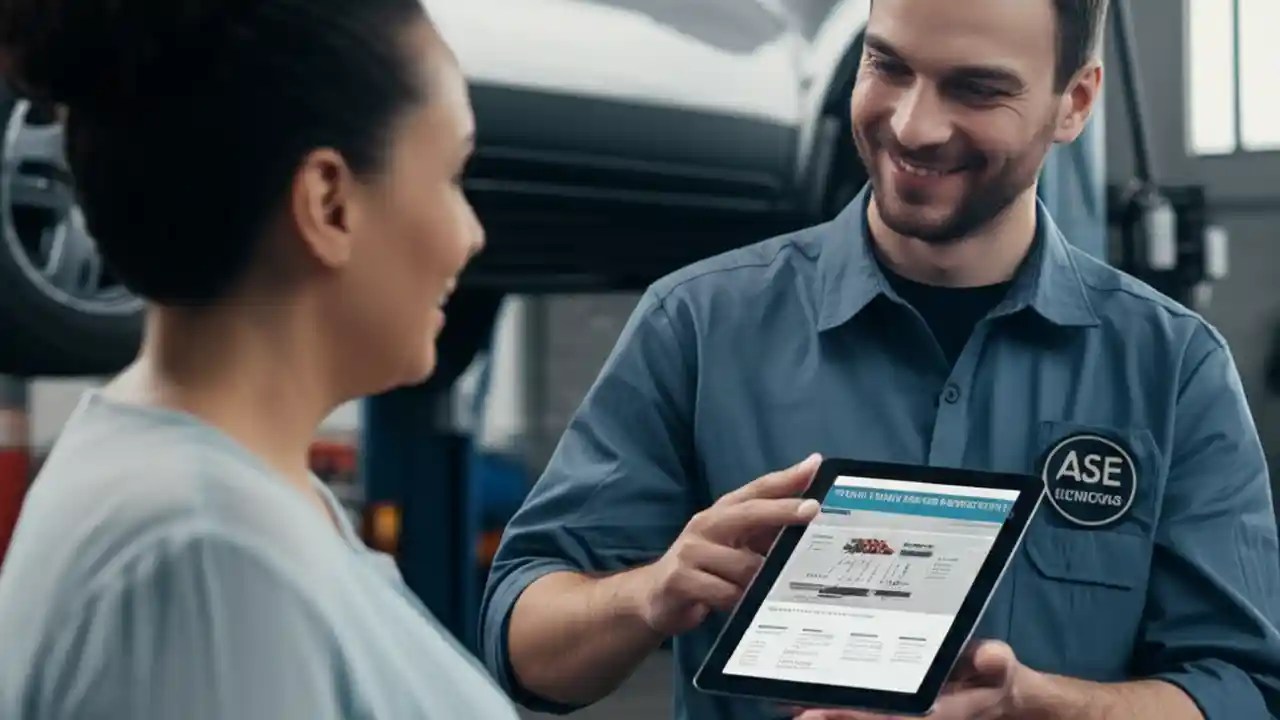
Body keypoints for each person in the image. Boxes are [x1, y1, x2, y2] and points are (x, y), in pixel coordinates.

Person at [480, 0, 1280, 718]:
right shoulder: (696, 326)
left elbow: (1241, 688)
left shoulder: (1171, 369)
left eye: (975, 89)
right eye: (887, 65)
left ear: (1074, 102)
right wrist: (652, 593)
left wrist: (1038, 711)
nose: (913, 125)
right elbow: (521, 645)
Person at [0, 2, 519, 719]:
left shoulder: (218, 503)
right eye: (453, 175)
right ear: (329, 204)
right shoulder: (208, 562)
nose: (472, 236)